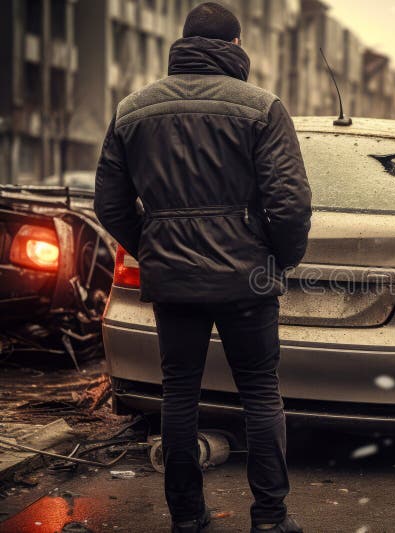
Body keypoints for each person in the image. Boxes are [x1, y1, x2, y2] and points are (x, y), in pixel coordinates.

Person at [93, 3, 310, 532]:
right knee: (259, 390)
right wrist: (278, 258)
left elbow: (109, 202)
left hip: (174, 281)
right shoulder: (263, 108)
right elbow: (290, 203)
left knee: (179, 393)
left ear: (183, 44)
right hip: (246, 278)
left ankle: (187, 519)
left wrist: (153, 245)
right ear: (236, 47)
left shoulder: (132, 110)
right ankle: (270, 520)